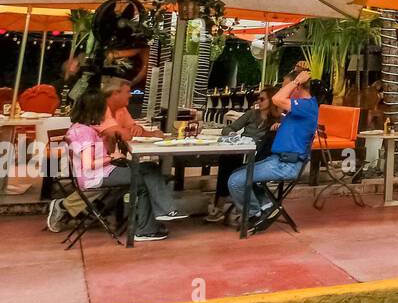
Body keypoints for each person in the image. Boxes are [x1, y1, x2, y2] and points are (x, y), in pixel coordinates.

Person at [65, 88, 186, 242]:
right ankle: (154, 221)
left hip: (102, 172)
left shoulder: (81, 128)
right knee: (146, 177)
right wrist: (112, 157)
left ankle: (152, 224)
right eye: (103, 108)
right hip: (97, 176)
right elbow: (88, 164)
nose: (106, 112)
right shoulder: (84, 133)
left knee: (149, 169)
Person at [227, 69, 320, 223]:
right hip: (279, 160)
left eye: (287, 86)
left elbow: (276, 99)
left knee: (235, 181)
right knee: (238, 172)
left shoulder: (306, 105)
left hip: (286, 164)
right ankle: (266, 205)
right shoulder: (301, 108)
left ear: (297, 87)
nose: (286, 90)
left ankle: (254, 215)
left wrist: (295, 81)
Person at [205, 86, 279, 223]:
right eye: (258, 98)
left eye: (262, 99)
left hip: (258, 158)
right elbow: (228, 128)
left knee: (228, 164)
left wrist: (278, 127)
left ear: (272, 101)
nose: (259, 101)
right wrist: (233, 135)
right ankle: (223, 205)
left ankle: (220, 206)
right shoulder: (252, 114)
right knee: (226, 160)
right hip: (241, 151)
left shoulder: (278, 121)